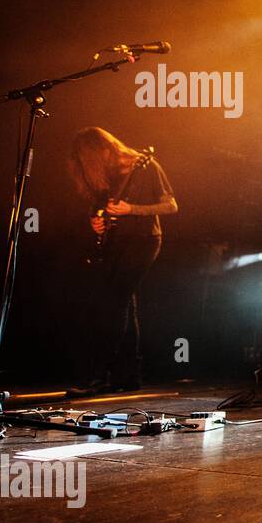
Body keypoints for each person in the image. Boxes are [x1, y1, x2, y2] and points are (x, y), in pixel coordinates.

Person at [67, 127, 178, 395]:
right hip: (116, 242)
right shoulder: (108, 174)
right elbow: (100, 206)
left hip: (144, 240)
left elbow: (171, 205)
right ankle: (128, 376)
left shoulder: (145, 165)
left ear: (104, 149)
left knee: (113, 303)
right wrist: (96, 220)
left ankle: (98, 373)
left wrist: (133, 210)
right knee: (123, 304)